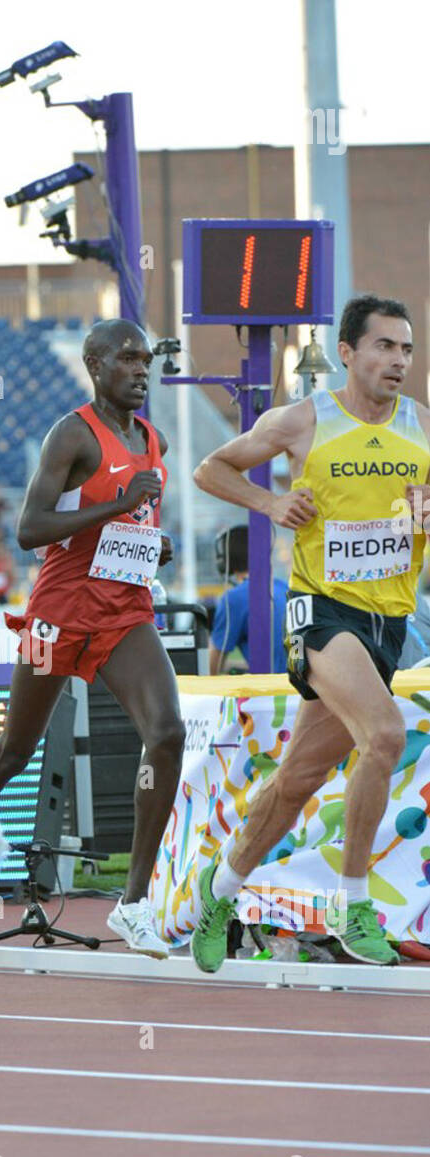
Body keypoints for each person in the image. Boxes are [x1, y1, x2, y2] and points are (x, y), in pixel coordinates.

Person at [0, 319, 183, 957]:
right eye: (127, 359)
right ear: (94, 364)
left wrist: (152, 544)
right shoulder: (72, 434)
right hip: (57, 613)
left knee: (166, 734)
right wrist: (118, 506)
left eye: (147, 360)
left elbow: (131, 524)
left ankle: (134, 902)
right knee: (13, 751)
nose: (141, 370)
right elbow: (31, 529)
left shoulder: (154, 438)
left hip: (124, 610)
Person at [190, 294, 430, 971]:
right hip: (321, 610)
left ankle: (220, 888)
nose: (397, 360)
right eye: (383, 346)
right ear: (346, 353)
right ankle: (351, 906)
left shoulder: (421, 428)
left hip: (386, 621)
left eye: (406, 349)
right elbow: (210, 468)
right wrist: (269, 501)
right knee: (384, 734)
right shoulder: (302, 420)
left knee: (296, 778)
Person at [209, 524, 289, 674]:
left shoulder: (232, 599)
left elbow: (211, 668)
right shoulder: (284, 587)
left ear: (226, 560)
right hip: (297, 687)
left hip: (270, 692)